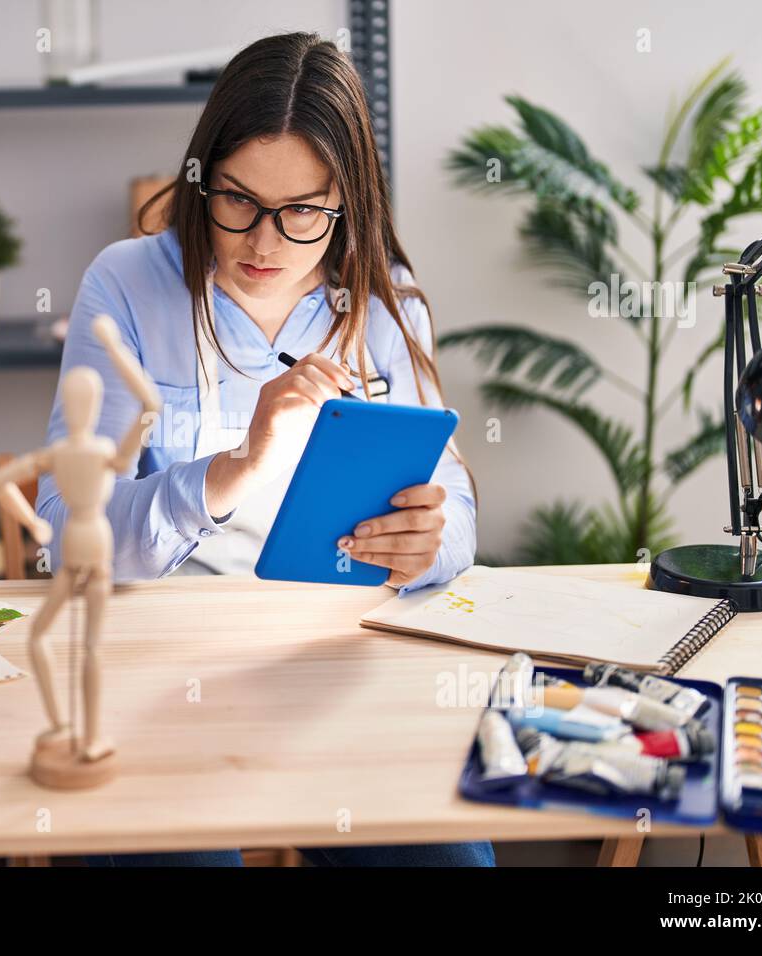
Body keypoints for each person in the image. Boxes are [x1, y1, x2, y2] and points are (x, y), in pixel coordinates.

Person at [34, 32, 491, 868]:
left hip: (331, 656)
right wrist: (233, 470)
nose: (265, 242)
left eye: (303, 213)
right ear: (201, 177)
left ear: (347, 206)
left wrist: (434, 543)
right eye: (238, 200)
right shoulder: (129, 285)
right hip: (158, 667)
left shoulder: (386, 305)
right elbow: (65, 533)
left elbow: (453, 503)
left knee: (453, 863)